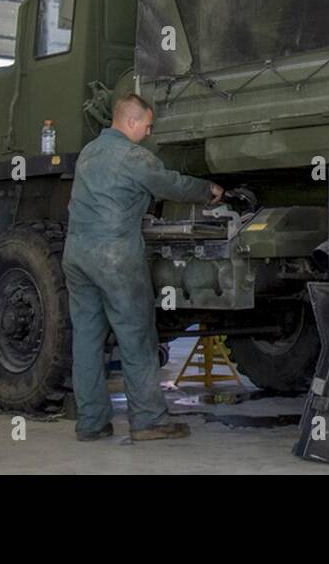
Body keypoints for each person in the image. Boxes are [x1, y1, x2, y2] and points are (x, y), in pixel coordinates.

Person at [63, 92, 223, 442]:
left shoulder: (89, 152)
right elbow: (170, 184)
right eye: (147, 126)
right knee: (136, 335)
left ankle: (90, 423)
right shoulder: (133, 156)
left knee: (87, 339)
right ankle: (148, 420)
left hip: (76, 254)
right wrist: (206, 188)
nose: (148, 133)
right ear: (131, 122)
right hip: (114, 256)